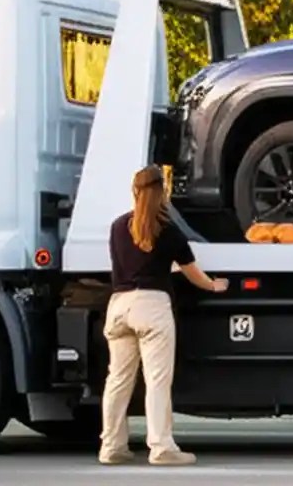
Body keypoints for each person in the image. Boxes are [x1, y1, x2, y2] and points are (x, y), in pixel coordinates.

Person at [98, 165, 229, 467]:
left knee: (117, 380)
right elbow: (192, 272)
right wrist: (214, 285)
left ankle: (111, 446)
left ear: (134, 191)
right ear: (162, 192)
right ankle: (161, 447)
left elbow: (125, 265)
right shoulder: (168, 230)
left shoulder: (117, 227)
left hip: (119, 306)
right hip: (152, 308)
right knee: (156, 381)